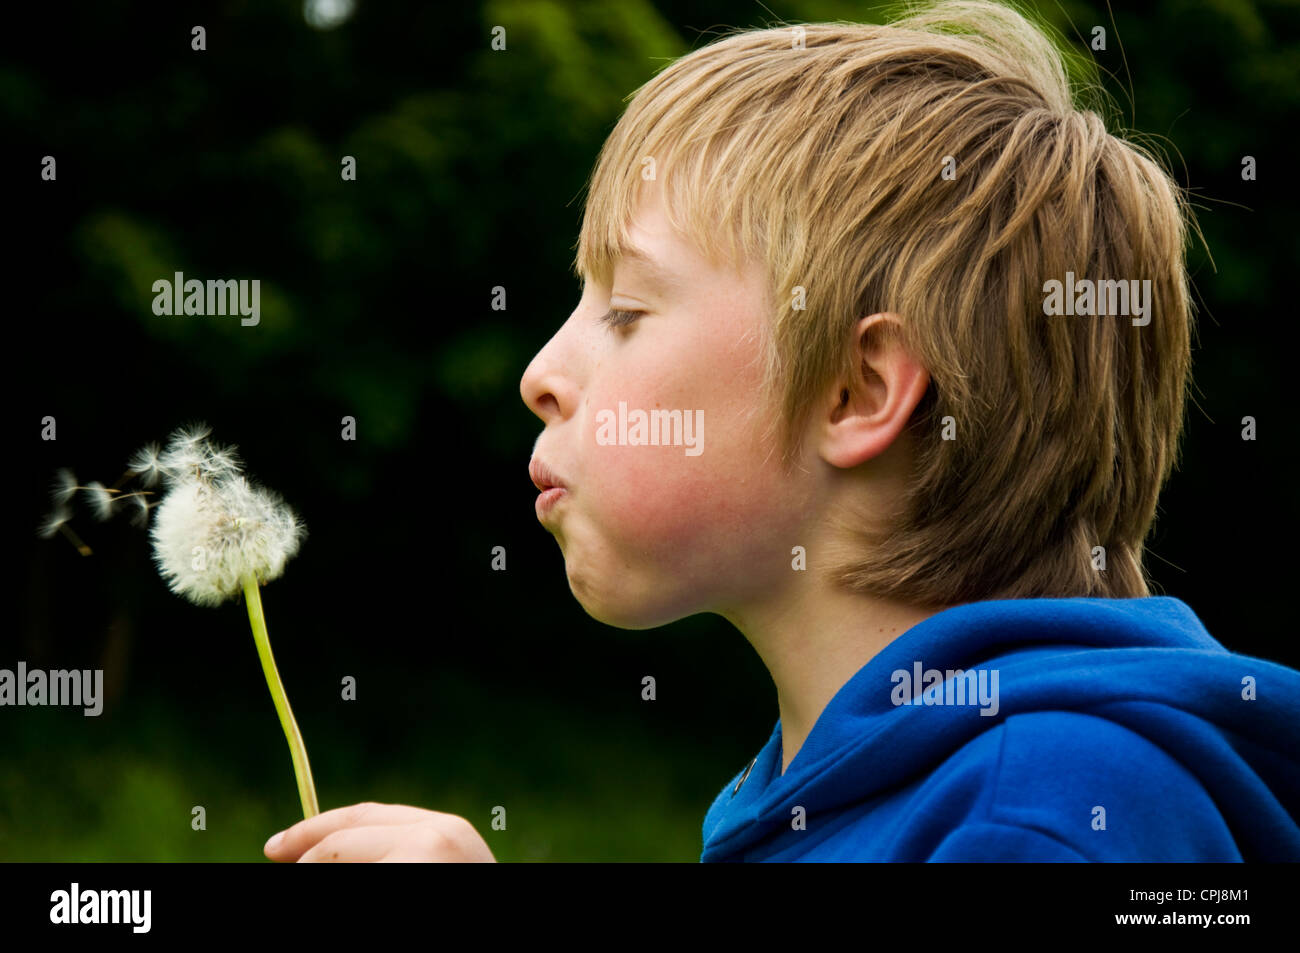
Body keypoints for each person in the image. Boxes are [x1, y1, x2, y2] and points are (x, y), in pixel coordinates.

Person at [264, 0, 1300, 863]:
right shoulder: (835, 793)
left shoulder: (1045, 813)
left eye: (625, 310)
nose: (540, 373)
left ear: (856, 392)